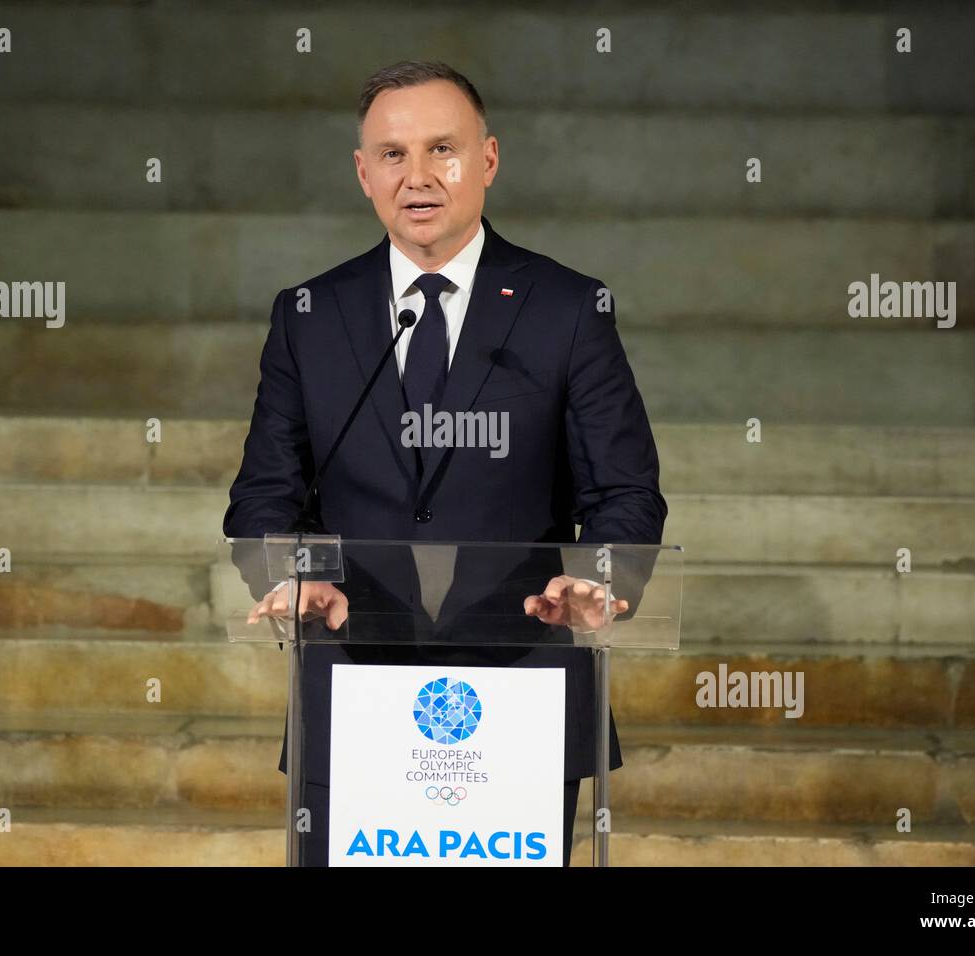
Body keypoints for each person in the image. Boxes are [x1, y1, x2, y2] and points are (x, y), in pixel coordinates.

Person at [223, 60, 666, 865]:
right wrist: (287, 572)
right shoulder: (309, 315)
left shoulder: (567, 309)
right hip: (353, 679)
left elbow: (625, 490)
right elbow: (263, 493)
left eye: (443, 150)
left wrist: (601, 576)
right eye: (393, 155)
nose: (418, 177)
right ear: (363, 173)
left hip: (518, 685)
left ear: (488, 160)